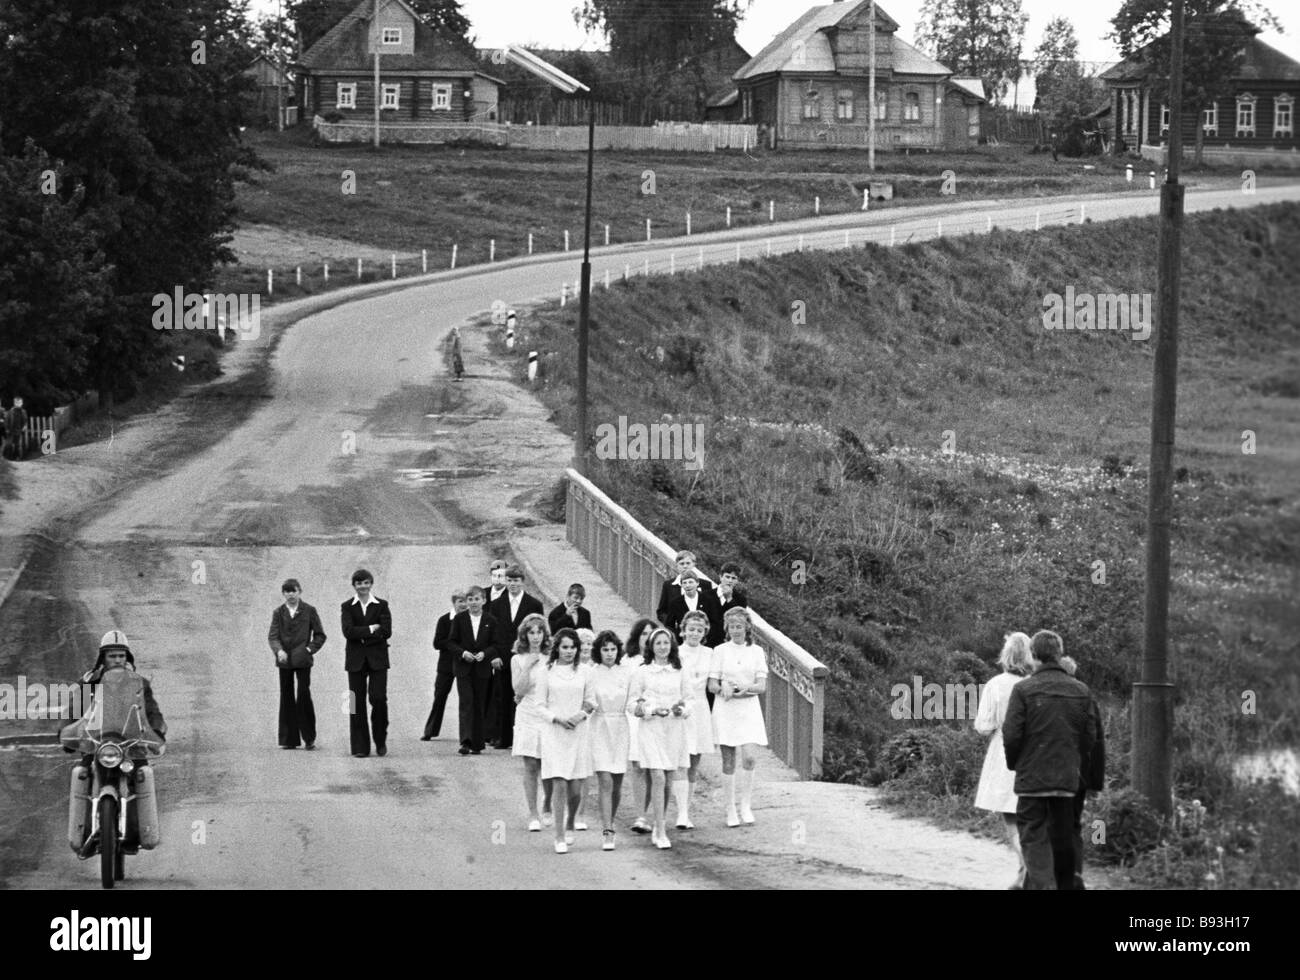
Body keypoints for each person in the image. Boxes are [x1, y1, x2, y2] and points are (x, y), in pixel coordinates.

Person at [1003, 629, 1099, 890]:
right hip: (1067, 778)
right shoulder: (1081, 690)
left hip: (1032, 777)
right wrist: (1072, 759)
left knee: (1033, 834)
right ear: (1059, 653)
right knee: (1062, 836)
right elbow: (1089, 737)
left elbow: (1011, 734)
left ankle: (1044, 886)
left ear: (1033, 656)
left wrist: (1016, 764)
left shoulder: (1023, 690)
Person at [973, 632, 1032, 888]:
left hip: (1004, 753)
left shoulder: (996, 684)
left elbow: (984, 726)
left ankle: (1027, 868)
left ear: (1005, 655)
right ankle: (1024, 872)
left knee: (1011, 817)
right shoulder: (1035, 683)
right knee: (1030, 816)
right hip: (1033, 754)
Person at [629, 628, 691, 849]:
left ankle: (658, 823)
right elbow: (632, 703)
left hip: (673, 730)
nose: (663, 647)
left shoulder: (680, 670)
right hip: (651, 729)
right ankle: (662, 831)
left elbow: (689, 700)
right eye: (658, 643)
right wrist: (651, 710)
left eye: (666, 643)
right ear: (651, 647)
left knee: (667, 778)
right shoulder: (643, 671)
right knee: (657, 776)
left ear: (671, 645)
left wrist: (680, 710)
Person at [537, 628, 596, 853]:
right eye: (565, 647)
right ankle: (559, 836)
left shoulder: (585, 672)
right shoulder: (546, 672)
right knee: (559, 783)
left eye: (572, 647)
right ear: (557, 648)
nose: (569, 651)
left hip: (578, 732)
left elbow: (591, 702)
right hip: (554, 732)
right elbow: (539, 705)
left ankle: (571, 819)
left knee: (575, 790)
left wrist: (578, 717)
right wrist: (557, 719)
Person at [709, 607, 767, 827]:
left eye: (739, 626)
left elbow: (761, 685)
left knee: (750, 757)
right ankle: (730, 809)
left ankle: (746, 805)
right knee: (728, 760)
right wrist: (722, 686)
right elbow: (711, 683)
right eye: (732, 626)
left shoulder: (757, 652)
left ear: (747, 628)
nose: (735, 630)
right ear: (727, 628)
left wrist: (747, 689)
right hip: (726, 708)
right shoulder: (720, 650)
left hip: (748, 708)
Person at [1060, 655, 1106, 889]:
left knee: (1053, 826)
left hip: (1057, 774)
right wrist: (1095, 783)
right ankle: (1075, 874)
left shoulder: (1054, 698)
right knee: (1074, 826)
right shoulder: (1087, 698)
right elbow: (1097, 745)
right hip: (1080, 777)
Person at [488, 565, 544, 750]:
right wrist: (494, 655)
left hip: (526, 656)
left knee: (524, 695)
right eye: (509, 580)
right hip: (504, 658)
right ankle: (503, 738)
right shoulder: (496, 604)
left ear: (522, 582)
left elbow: (540, 631)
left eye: (516, 581)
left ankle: (522, 736)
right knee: (502, 697)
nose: (512, 584)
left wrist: (536, 653)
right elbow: (492, 633)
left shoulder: (533, 604)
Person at [267, 579, 327, 750]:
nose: (291, 595)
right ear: (283, 594)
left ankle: (309, 737)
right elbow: (273, 636)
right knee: (286, 696)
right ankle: (289, 739)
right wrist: (279, 651)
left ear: (300, 591)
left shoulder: (309, 610)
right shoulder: (278, 612)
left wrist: (308, 649)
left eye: (293, 591)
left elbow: (320, 635)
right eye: (287, 592)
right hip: (284, 661)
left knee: (303, 695)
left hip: (303, 661)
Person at [340, 569, 392, 758]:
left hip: (378, 659)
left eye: (366, 583)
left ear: (371, 584)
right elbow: (347, 632)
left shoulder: (381, 605)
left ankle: (380, 740)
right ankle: (360, 746)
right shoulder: (347, 606)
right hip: (355, 660)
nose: (363, 587)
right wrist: (371, 628)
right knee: (354, 702)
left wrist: (361, 634)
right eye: (359, 583)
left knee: (378, 698)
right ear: (354, 585)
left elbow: (386, 631)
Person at [588, 630, 631, 851]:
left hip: (621, 727)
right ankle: (607, 830)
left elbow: (633, 701)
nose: (609, 653)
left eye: (613, 649)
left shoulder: (627, 672)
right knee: (604, 780)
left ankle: (611, 820)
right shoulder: (592, 672)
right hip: (600, 726)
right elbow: (588, 700)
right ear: (598, 651)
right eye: (605, 649)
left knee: (616, 783)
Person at [510, 613, 552, 830]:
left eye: (539, 632)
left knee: (547, 763)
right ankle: (532, 813)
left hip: (546, 713)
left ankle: (547, 805)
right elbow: (518, 689)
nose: (536, 637)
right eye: (531, 632)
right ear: (525, 635)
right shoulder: (517, 659)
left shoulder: (552, 658)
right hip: (527, 713)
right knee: (530, 764)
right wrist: (528, 665)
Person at [447, 585, 500, 755]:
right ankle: (465, 741)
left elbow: (496, 644)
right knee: (466, 702)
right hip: (464, 668)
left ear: (484, 600)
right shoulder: (460, 619)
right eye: (470, 599)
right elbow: (451, 642)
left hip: (482, 669)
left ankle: (477, 742)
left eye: (477, 599)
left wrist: (485, 653)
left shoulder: (491, 620)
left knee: (479, 703)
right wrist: (463, 653)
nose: (473, 603)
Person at [673, 610, 714, 829]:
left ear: (704, 631)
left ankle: (686, 811)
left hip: (700, 707)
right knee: (682, 758)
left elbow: (714, 680)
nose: (695, 634)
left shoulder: (709, 653)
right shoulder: (676, 652)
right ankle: (680, 812)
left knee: (694, 762)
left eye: (699, 630)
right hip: (682, 706)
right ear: (683, 630)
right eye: (691, 629)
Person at [623, 617, 660, 834]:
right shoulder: (628, 661)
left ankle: (653, 814)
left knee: (652, 768)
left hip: (655, 717)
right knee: (637, 766)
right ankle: (640, 815)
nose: (647, 638)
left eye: (650, 634)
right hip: (634, 717)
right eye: (643, 634)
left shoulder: (660, 662)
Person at [422, 592, 466, 740]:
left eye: (466, 601)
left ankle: (467, 734)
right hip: (446, 665)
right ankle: (430, 730)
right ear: (454, 603)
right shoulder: (444, 620)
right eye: (460, 601)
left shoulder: (470, 620)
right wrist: (453, 644)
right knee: (440, 696)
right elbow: (437, 643)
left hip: (464, 664)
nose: (464, 604)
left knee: (466, 699)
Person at [655, 550, 715, 627]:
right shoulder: (669, 585)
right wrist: (671, 623)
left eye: (688, 563)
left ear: (694, 564)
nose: (685, 566)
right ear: (677, 565)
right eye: (682, 564)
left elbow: (712, 611)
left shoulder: (706, 585)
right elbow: (661, 611)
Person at [662, 569, 722, 644]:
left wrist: (705, 635)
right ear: (682, 585)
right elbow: (669, 625)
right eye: (684, 583)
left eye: (691, 582)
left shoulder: (708, 600)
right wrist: (680, 635)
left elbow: (715, 622)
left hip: (705, 642)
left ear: (697, 583)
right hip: (683, 642)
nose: (688, 585)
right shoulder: (675, 603)